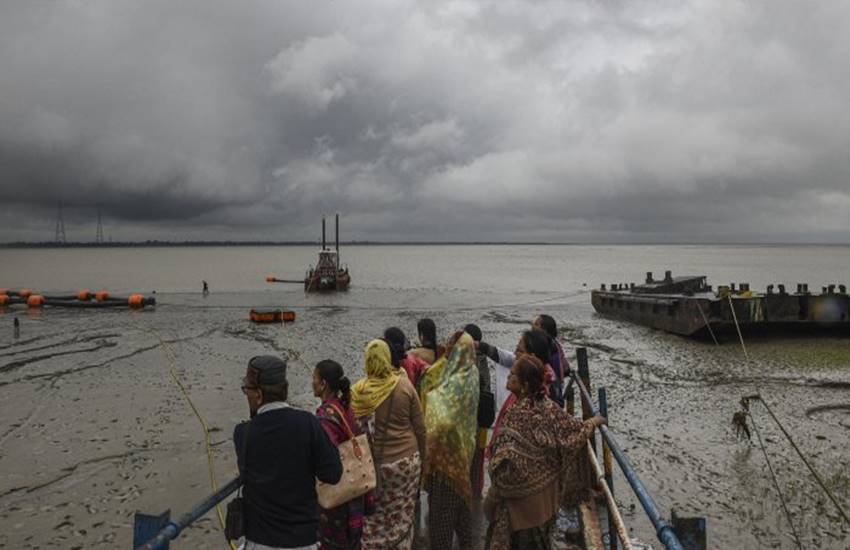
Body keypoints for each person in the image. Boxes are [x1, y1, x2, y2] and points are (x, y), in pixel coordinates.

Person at [483, 355, 605, 550]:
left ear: (523, 385)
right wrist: (594, 422)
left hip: (519, 514)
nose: (508, 377)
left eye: (512, 374)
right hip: (546, 505)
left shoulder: (516, 416)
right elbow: (575, 430)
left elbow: (505, 471)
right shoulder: (549, 407)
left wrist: (491, 500)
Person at [234, 355, 342, 550]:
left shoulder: (243, 434)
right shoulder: (309, 423)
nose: (246, 395)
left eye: (247, 390)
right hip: (304, 540)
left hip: (260, 541)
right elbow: (333, 474)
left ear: (258, 394)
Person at [351, 340, 426, 550]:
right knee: (401, 515)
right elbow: (421, 429)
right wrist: (425, 461)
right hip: (406, 466)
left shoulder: (358, 392)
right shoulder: (404, 386)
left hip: (373, 468)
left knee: (373, 518)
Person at [419, 331, 479, 550]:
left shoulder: (458, 381)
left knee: (441, 517)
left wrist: (432, 398)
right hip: (464, 451)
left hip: (447, 457)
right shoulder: (470, 372)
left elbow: (443, 420)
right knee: (462, 507)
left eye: (452, 348)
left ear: (460, 351)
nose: (447, 349)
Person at [313, 359, 369, 550]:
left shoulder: (325, 417)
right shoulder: (345, 407)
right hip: (355, 492)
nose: (311, 382)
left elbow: (325, 458)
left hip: (339, 498)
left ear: (323, 384)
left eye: (314, 378)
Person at [463, 323, 490, 498]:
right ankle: (476, 490)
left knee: (468, 454)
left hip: (470, 417)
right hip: (483, 416)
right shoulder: (483, 360)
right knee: (478, 455)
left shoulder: (468, 362)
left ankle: (467, 490)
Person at [532, 314, 568, 407]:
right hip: (557, 389)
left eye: (536, 324)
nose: (532, 327)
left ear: (544, 330)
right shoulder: (556, 344)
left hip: (549, 392)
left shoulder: (541, 347)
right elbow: (566, 368)